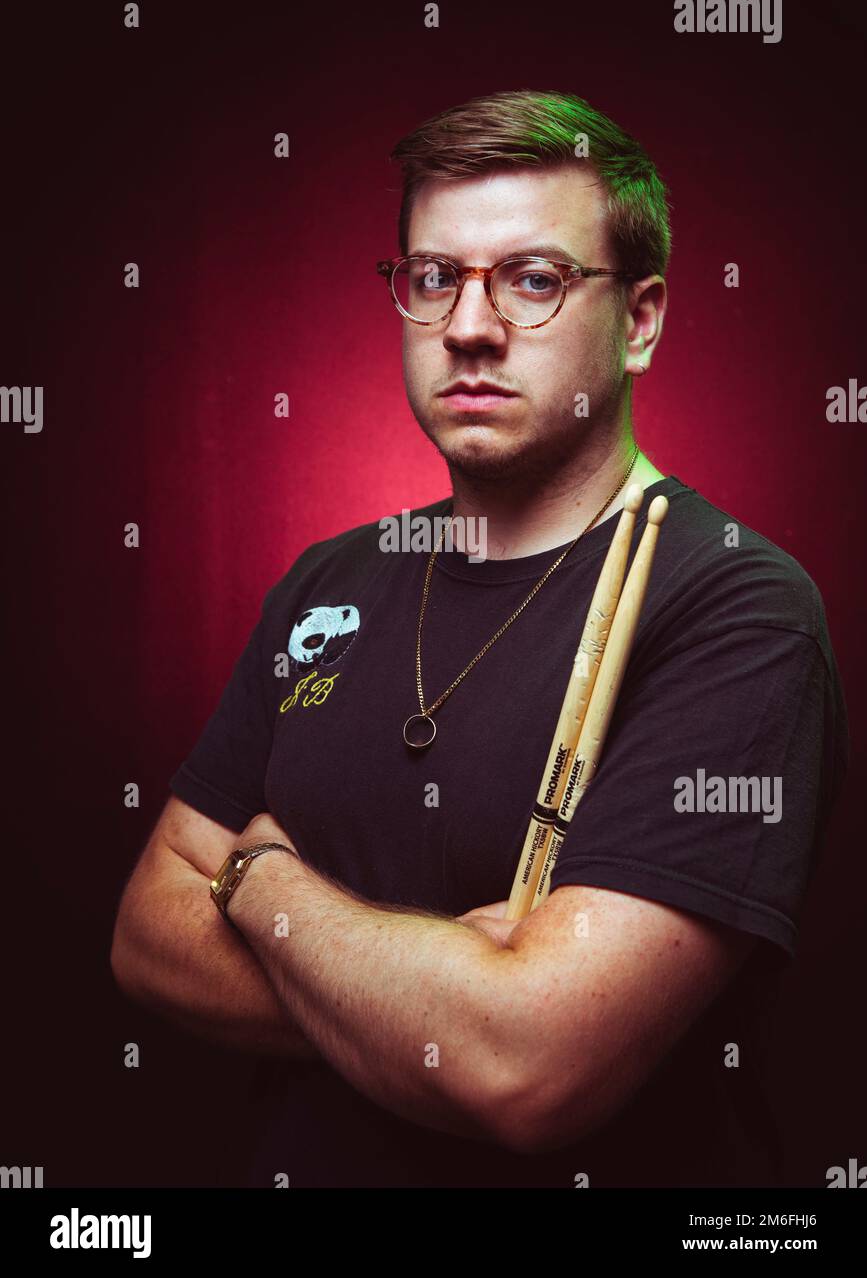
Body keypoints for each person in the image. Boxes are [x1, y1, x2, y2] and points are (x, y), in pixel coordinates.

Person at [110, 89, 848, 1187]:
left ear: (641, 320)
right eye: (434, 276)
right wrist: (450, 989)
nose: (468, 324)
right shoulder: (330, 580)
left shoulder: (736, 605)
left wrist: (259, 876)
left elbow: (528, 1067)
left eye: (535, 279)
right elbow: (143, 936)